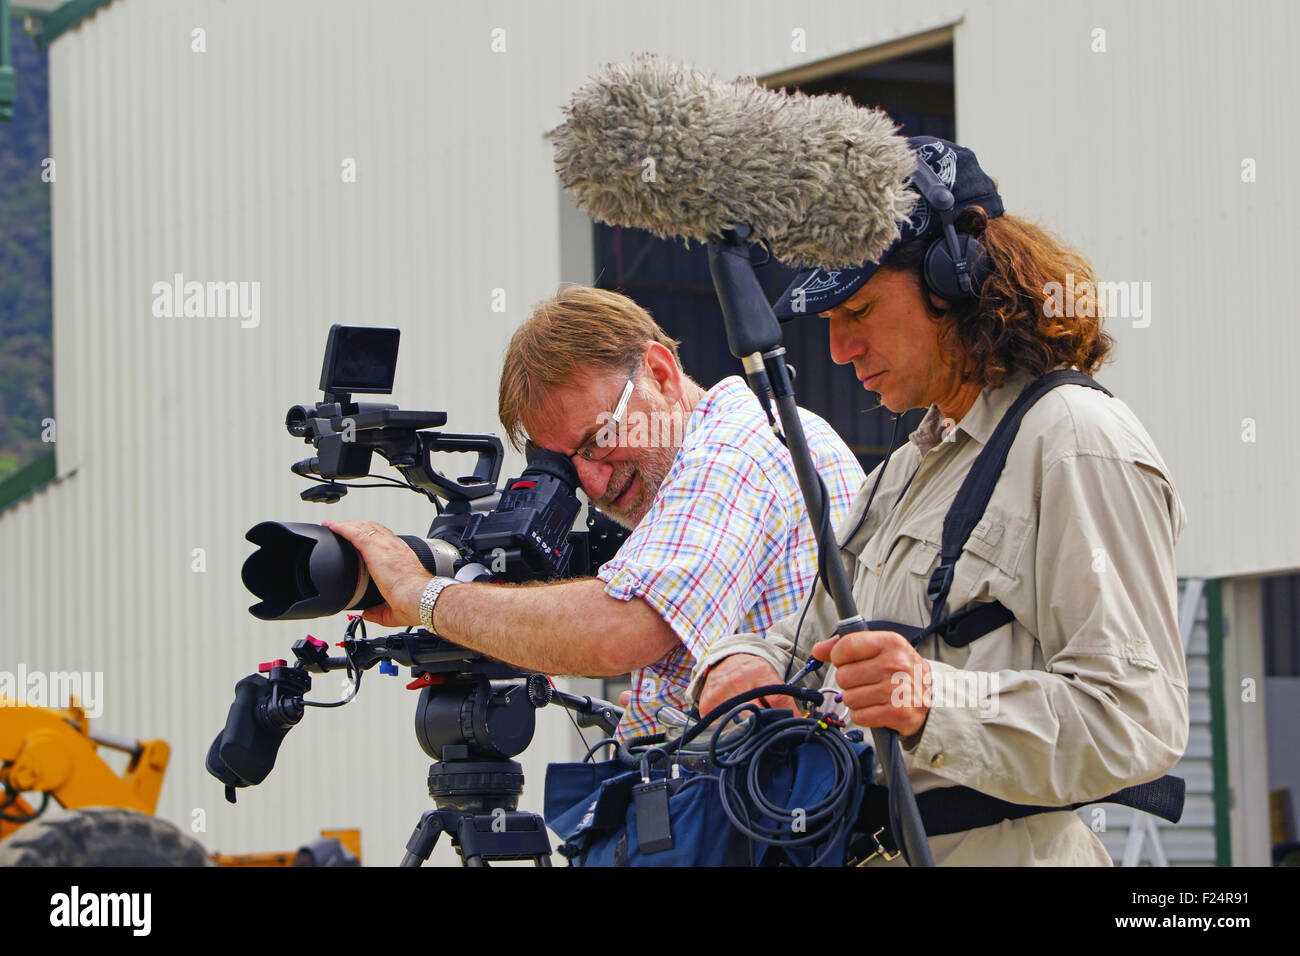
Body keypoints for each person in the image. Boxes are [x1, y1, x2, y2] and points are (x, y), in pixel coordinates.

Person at [691, 137, 1189, 865]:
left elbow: (1136, 723)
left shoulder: (1076, 441)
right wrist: (737, 664)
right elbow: (807, 644)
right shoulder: (901, 474)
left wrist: (931, 702)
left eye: (857, 310)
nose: (838, 350)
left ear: (955, 281)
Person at [324, 285, 864, 739]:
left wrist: (422, 595)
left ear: (659, 371)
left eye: (600, 438)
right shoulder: (751, 440)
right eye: (565, 461)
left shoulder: (734, 450)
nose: (594, 480)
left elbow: (618, 632)